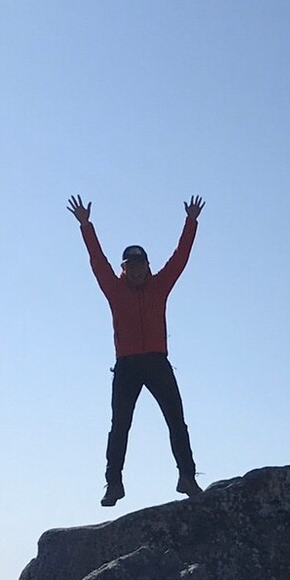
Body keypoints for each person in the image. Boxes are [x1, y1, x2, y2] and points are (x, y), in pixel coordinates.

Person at [67, 194, 206, 507]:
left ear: (147, 265)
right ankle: (113, 484)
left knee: (176, 420)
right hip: (127, 365)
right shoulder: (115, 289)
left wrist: (191, 222)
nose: (136, 269)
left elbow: (180, 258)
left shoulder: (160, 286)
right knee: (120, 425)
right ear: (125, 268)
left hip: (157, 361)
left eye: (141, 264)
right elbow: (97, 261)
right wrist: (86, 226)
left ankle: (187, 477)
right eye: (130, 265)